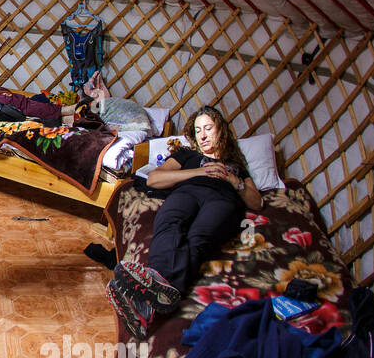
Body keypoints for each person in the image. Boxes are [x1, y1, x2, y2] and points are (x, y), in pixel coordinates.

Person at [107, 104, 262, 339]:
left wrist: (233, 180)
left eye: (208, 128)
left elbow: (256, 203)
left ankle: (147, 301)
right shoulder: (186, 155)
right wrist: (198, 172)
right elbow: (154, 179)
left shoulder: (236, 166)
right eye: (198, 130)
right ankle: (158, 292)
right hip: (188, 191)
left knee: (199, 236)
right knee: (169, 223)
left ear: (221, 131)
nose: (203, 134)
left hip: (222, 199)